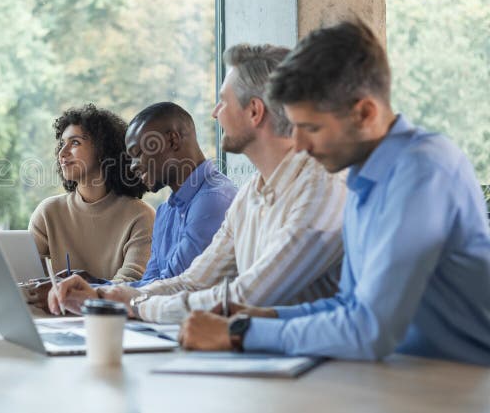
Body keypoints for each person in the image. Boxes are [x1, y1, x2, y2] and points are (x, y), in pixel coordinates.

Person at [179, 19, 490, 366]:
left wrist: (240, 334)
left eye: (311, 128)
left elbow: (369, 330)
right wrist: (259, 318)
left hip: (465, 386)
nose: (298, 144)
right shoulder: (362, 174)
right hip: (404, 378)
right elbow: (350, 305)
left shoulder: (423, 172)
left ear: (365, 113)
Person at [49, 44, 346, 320]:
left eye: (223, 102)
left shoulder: (321, 188)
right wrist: (104, 295)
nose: (216, 114)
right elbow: (193, 281)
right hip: (260, 358)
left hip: (310, 370)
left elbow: (248, 295)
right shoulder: (249, 196)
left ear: (254, 111)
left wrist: (136, 305)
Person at [28, 104, 154, 282]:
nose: (62, 153)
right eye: (62, 144)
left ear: (103, 150)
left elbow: (130, 282)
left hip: (109, 310)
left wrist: (81, 292)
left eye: (75, 143)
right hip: (52, 310)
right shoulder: (48, 212)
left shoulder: (141, 217)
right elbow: (26, 279)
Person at [122, 102, 237, 287]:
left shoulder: (214, 200)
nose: (133, 165)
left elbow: (174, 285)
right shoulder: (165, 211)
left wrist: (95, 293)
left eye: (137, 153)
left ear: (173, 140)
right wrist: (91, 287)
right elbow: (151, 284)